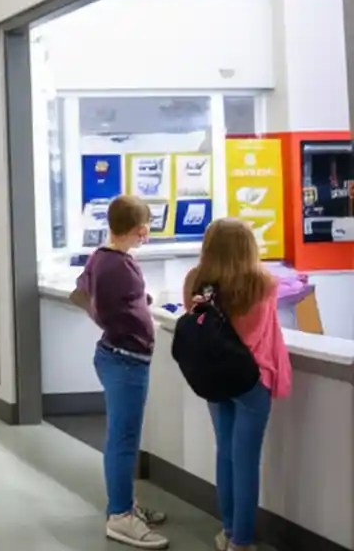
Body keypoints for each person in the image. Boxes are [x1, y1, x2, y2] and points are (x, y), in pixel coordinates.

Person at [183, 219, 291, 551]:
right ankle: (242, 543)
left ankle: (229, 531)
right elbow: (260, 335)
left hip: (216, 378)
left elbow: (198, 322)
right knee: (246, 461)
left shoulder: (197, 283)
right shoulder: (263, 284)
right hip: (252, 382)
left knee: (225, 454)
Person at [70, 195, 167, 549]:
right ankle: (121, 516)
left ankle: (125, 504)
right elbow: (98, 304)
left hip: (119, 356)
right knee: (123, 442)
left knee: (123, 439)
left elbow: (84, 293)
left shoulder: (104, 257)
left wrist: (138, 303)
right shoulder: (117, 266)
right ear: (142, 230)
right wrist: (125, 318)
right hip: (125, 359)